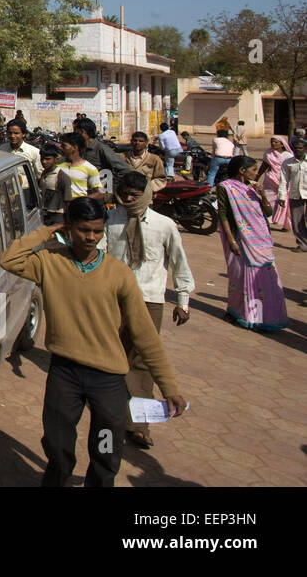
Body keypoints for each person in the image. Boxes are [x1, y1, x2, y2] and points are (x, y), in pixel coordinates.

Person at [0, 197, 188, 487]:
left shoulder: (118, 273)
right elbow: (9, 260)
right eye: (84, 230)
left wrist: (169, 386)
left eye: (98, 231)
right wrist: (47, 231)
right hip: (65, 374)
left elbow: (144, 334)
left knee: (105, 451)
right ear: (70, 228)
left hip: (108, 379)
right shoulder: (49, 262)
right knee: (58, 446)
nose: (91, 237)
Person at [102, 170, 194, 450]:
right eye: (125, 193)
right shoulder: (110, 219)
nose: (129, 198)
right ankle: (109, 416)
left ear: (146, 194)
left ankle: (138, 426)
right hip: (113, 298)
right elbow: (100, 254)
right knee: (112, 356)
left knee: (142, 362)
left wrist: (182, 301)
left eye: (135, 194)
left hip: (149, 300)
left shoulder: (164, 225)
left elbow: (178, 262)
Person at [219, 156, 289, 330]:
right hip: (242, 239)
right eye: (254, 169)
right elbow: (223, 215)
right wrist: (231, 239)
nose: (257, 173)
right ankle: (244, 314)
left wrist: (263, 195)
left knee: (267, 279)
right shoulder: (226, 187)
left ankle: (266, 317)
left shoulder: (253, 188)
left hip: (260, 240)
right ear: (242, 170)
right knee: (242, 277)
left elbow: (267, 212)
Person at [74, 118, 129, 192]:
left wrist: (110, 187)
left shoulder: (101, 148)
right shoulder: (81, 148)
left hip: (98, 195)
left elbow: (124, 168)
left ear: (82, 132)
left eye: (75, 131)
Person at [255, 135, 292, 232]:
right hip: (270, 180)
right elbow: (264, 166)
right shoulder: (268, 153)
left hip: (283, 180)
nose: (273, 144)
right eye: (272, 142)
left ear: (282, 144)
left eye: (276, 142)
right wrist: (257, 177)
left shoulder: (288, 155)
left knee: (284, 202)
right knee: (267, 199)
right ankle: (265, 221)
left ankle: (285, 224)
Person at [57, 132, 102, 201]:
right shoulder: (57, 166)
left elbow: (98, 194)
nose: (60, 147)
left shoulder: (90, 168)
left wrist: (79, 200)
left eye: (64, 145)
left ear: (75, 147)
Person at [281, 137, 307, 251]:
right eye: (295, 148)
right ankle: (303, 244)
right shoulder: (288, 163)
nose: (298, 150)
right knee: (297, 221)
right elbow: (284, 180)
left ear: (305, 149)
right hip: (295, 194)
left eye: (300, 148)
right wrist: (282, 196)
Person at [38, 143, 68, 226]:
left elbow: (68, 201)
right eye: (42, 159)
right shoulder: (44, 173)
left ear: (56, 159)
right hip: (46, 215)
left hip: (58, 217)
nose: (44, 162)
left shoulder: (61, 176)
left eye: (48, 159)